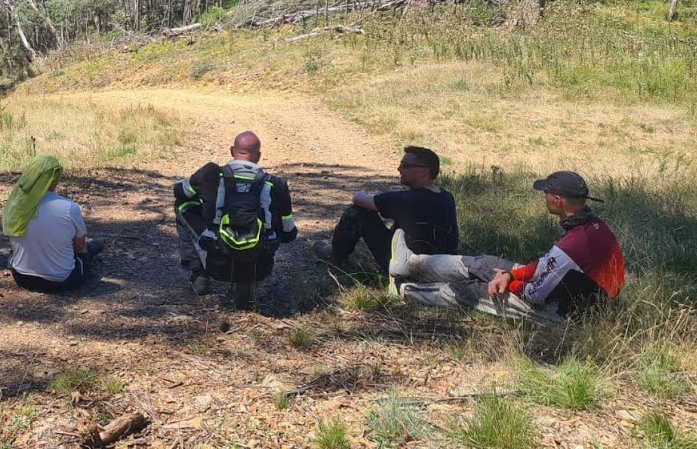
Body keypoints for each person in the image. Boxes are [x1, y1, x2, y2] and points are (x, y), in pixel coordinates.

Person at [388, 171, 625, 324]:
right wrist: (511, 274)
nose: (544, 197)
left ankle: (404, 289)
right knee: (486, 264)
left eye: (546, 193)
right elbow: (545, 264)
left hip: (560, 312)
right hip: (569, 290)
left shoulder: (574, 245)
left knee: (474, 290)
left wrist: (508, 283)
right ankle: (411, 263)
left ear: (557, 200)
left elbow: (537, 295)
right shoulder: (592, 225)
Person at [174, 131, 296, 296]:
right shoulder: (276, 184)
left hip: (216, 261)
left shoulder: (211, 174)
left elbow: (180, 191)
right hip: (261, 268)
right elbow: (289, 234)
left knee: (183, 204)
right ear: (259, 155)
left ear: (232, 151)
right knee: (276, 225)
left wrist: (207, 200)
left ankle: (198, 273)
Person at [315, 146, 458, 279]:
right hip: (442, 267)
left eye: (405, 165)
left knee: (357, 211)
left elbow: (358, 199)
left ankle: (336, 255)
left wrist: (363, 193)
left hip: (406, 267)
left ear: (425, 171)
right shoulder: (447, 196)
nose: (399, 169)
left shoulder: (407, 200)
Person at [2, 155, 104, 293]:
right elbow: (78, 247)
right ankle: (91, 251)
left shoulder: (14, 205)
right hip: (62, 281)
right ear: (54, 178)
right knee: (84, 254)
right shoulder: (68, 207)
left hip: (21, 277)